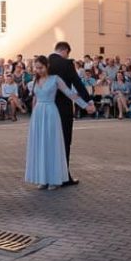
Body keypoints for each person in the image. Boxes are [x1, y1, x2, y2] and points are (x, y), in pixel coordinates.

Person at [25, 55, 95, 189]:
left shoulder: (55, 79)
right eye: (36, 68)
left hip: (51, 112)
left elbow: (70, 93)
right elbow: (35, 99)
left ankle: (53, 179)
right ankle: (42, 179)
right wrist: (33, 116)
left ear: (47, 66)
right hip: (38, 115)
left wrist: (85, 105)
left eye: (41, 68)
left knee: (52, 145)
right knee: (40, 146)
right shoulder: (35, 81)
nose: (38, 70)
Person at [47, 41, 93, 185]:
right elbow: (77, 83)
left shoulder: (44, 63)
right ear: (65, 51)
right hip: (63, 108)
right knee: (64, 141)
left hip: (46, 108)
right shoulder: (66, 64)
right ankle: (64, 176)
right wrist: (88, 101)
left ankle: (47, 176)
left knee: (48, 142)